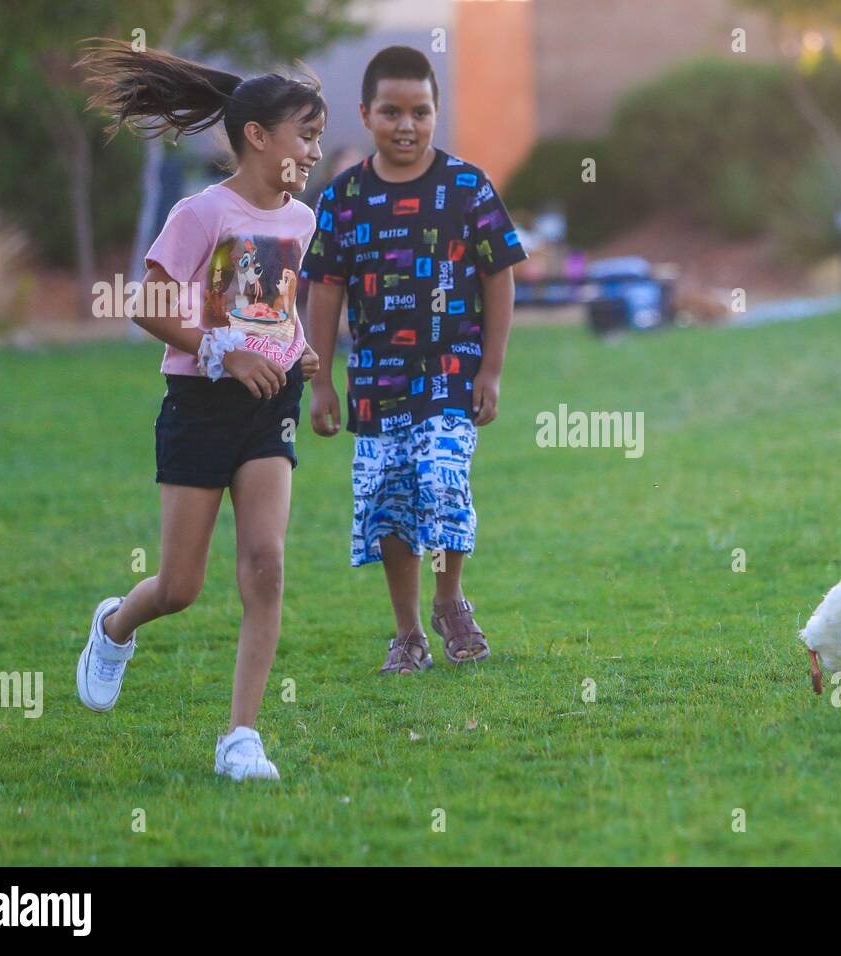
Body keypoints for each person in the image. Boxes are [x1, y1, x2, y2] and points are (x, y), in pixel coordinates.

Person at [74, 39, 324, 780]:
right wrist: (224, 354)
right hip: (199, 402)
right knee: (181, 586)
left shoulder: (300, 222)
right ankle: (115, 625)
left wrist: (298, 349)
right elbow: (147, 302)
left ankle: (241, 738)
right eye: (304, 135)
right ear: (258, 136)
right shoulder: (202, 212)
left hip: (270, 400)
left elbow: (272, 307)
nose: (313, 151)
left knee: (266, 564)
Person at [302, 46, 527, 675]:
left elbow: (499, 277)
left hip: (451, 373)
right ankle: (407, 634)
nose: (407, 125)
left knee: (444, 482)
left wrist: (491, 369)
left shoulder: (465, 186)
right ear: (366, 114)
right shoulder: (343, 198)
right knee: (389, 501)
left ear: (436, 113)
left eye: (421, 112)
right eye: (392, 111)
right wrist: (321, 382)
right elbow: (324, 288)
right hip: (375, 381)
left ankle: (450, 600)